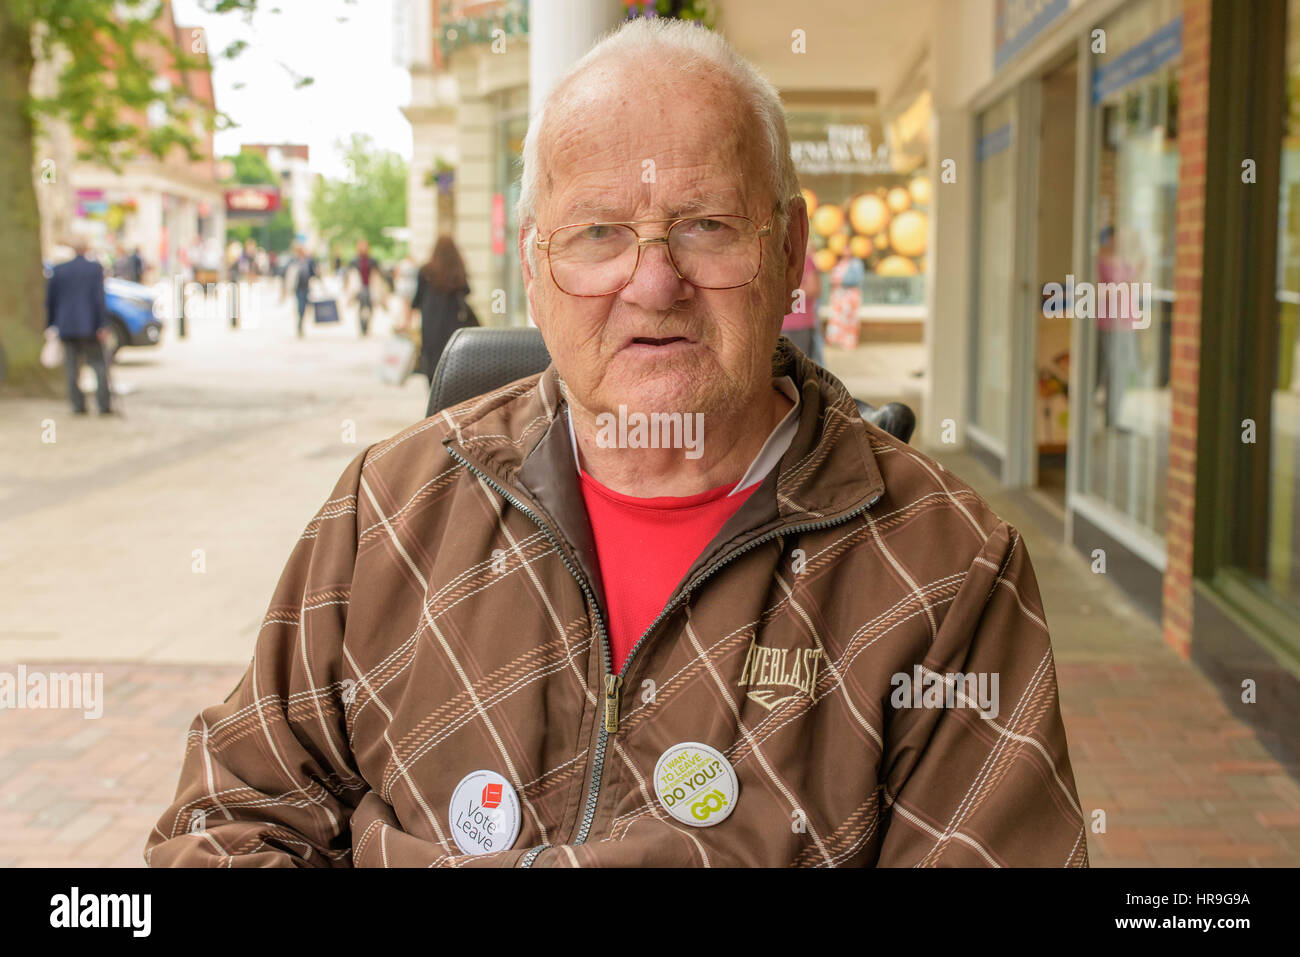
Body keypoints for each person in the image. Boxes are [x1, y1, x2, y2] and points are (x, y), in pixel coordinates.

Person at [147, 17, 1085, 868]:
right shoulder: (389, 509)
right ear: (534, 267)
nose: (653, 281)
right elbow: (227, 817)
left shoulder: (947, 569)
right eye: (599, 233)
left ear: (790, 248)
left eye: (706, 226)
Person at [46, 238, 113, 416]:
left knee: (71, 367)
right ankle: (103, 405)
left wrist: (52, 324)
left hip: (66, 326)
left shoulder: (59, 270)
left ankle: (77, 406)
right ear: (86, 249)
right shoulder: (94, 269)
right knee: (98, 365)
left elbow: (51, 301)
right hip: (90, 326)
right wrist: (102, 324)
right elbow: (99, 299)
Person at [409, 235, 471, 381]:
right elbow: (467, 291)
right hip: (453, 324)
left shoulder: (425, 271)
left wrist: (407, 321)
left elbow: (417, 300)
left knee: (432, 364)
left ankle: (435, 398)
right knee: (452, 361)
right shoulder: (457, 271)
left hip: (430, 324)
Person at [780, 237, 820, 358]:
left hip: (799, 326)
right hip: (777, 326)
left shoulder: (806, 261)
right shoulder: (773, 262)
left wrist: (787, 289)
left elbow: (814, 289)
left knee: (800, 370)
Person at [346, 238, 391, 337]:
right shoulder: (354, 261)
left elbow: (380, 273)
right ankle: (362, 326)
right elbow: (349, 275)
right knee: (362, 306)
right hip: (359, 287)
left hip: (371, 287)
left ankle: (366, 325)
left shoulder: (372, 260)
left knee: (370, 307)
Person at [285, 244, 317, 337]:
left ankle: (302, 321)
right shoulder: (293, 261)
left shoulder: (309, 261)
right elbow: (287, 274)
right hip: (298, 288)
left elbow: (313, 273)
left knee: (307, 306)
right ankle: (300, 324)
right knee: (301, 306)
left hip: (307, 287)